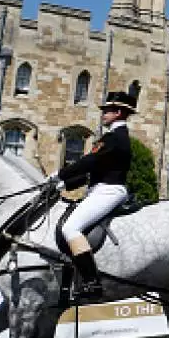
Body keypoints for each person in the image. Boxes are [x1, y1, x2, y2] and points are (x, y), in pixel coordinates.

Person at [48, 90, 136, 301]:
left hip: (109, 190)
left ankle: (91, 281)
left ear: (118, 112)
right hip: (100, 188)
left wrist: (60, 173)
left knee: (71, 227)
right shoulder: (113, 137)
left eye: (107, 110)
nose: (103, 114)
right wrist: (64, 184)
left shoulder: (115, 137)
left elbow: (89, 162)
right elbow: (93, 173)